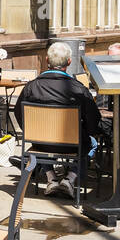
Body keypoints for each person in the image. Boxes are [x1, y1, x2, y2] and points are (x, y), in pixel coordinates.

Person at [13, 42, 105, 195]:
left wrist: (31, 132)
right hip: (72, 145)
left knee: (40, 143)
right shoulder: (79, 89)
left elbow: (18, 113)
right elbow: (93, 120)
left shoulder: (31, 87)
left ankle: (51, 178)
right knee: (92, 143)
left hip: (40, 142)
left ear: (47, 60)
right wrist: (86, 131)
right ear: (69, 62)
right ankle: (70, 178)